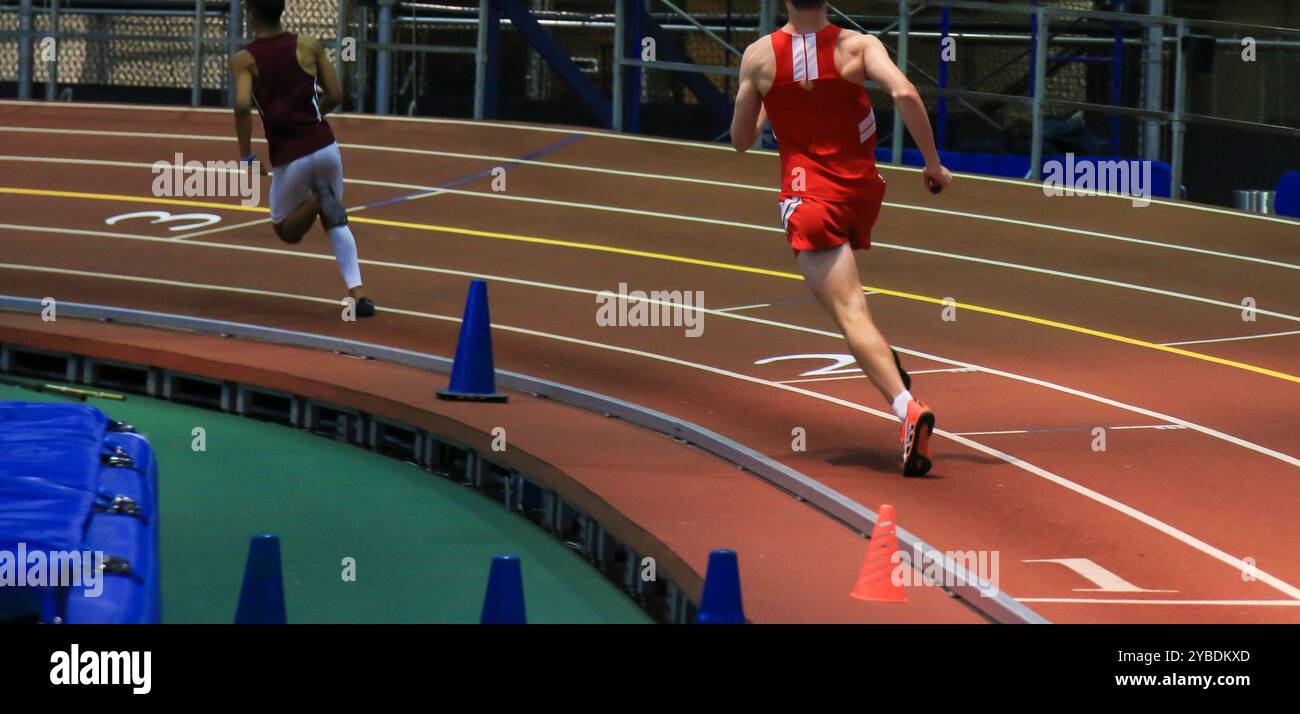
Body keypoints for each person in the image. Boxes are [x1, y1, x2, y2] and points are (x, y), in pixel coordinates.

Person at [730, 0, 953, 476]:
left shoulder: (759, 57)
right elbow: (906, 94)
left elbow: (741, 139)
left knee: (850, 312)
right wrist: (932, 164)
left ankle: (905, 407)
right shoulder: (860, 46)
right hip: (861, 192)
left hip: (809, 200)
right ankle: (886, 360)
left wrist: (770, 102)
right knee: (852, 308)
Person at [229, 0, 375, 317]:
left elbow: (242, 106)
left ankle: (317, 200)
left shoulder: (244, 60)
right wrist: (310, 116)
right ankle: (359, 293)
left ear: (251, 13)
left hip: (290, 156)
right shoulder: (309, 45)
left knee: (285, 229)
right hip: (325, 147)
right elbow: (336, 94)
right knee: (335, 219)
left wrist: (247, 157)